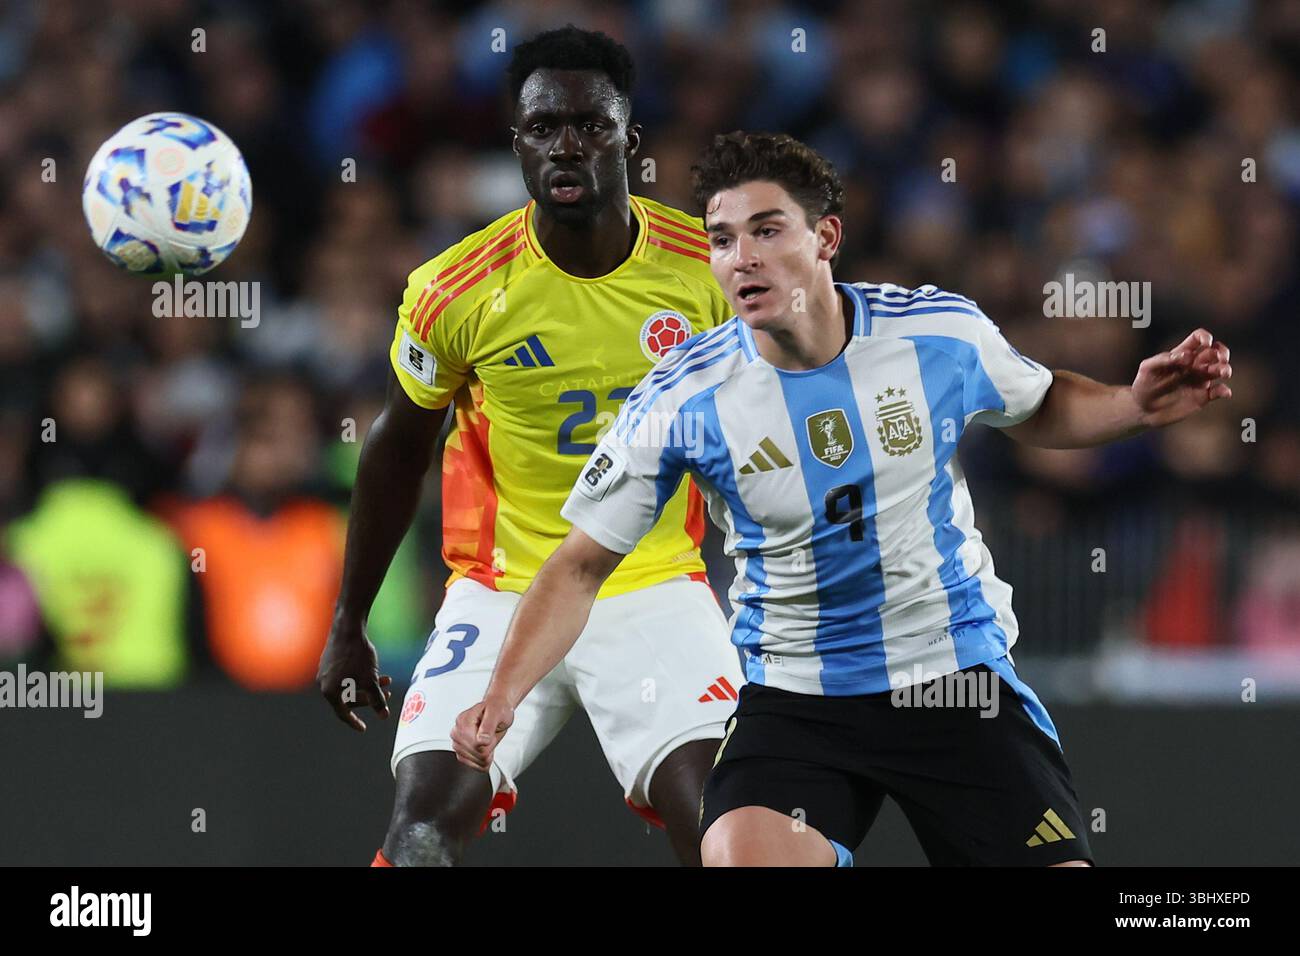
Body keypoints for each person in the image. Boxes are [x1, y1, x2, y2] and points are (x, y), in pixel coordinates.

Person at [451, 131, 1233, 866]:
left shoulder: (937, 334)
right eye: (722, 239)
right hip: (798, 700)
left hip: (953, 679)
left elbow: (1039, 405)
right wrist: (501, 696)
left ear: (825, 239)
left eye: (767, 231)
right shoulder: (681, 399)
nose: (740, 259)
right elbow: (581, 565)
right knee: (737, 856)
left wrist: (1133, 405)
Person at [317, 27, 743, 866]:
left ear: (630, 136)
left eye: (591, 125)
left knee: (731, 835)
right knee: (421, 834)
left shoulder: (711, 272)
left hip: (654, 584)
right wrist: (350, 618)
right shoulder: (456, 290)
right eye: (543, 128)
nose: (567, 146)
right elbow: (396, 450)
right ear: (516, 141)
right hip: (503, 591)